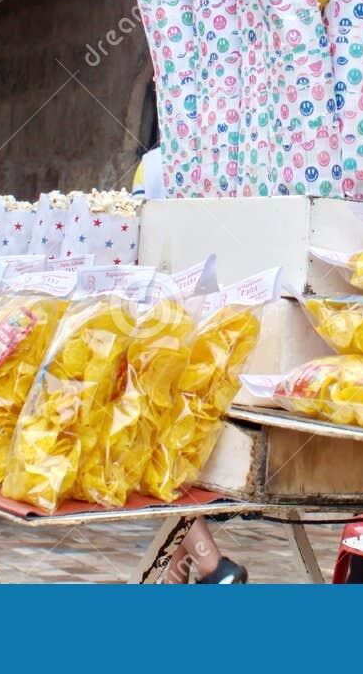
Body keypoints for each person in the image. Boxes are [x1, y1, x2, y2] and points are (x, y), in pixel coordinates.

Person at [133, 149, 250, 585]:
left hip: (171, 332)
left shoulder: (156, 163)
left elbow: (140, 244)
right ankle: (187, 575)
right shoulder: (241, 151)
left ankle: (210, 565)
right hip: (227, 329)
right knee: (169, 459)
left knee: (153, 455)